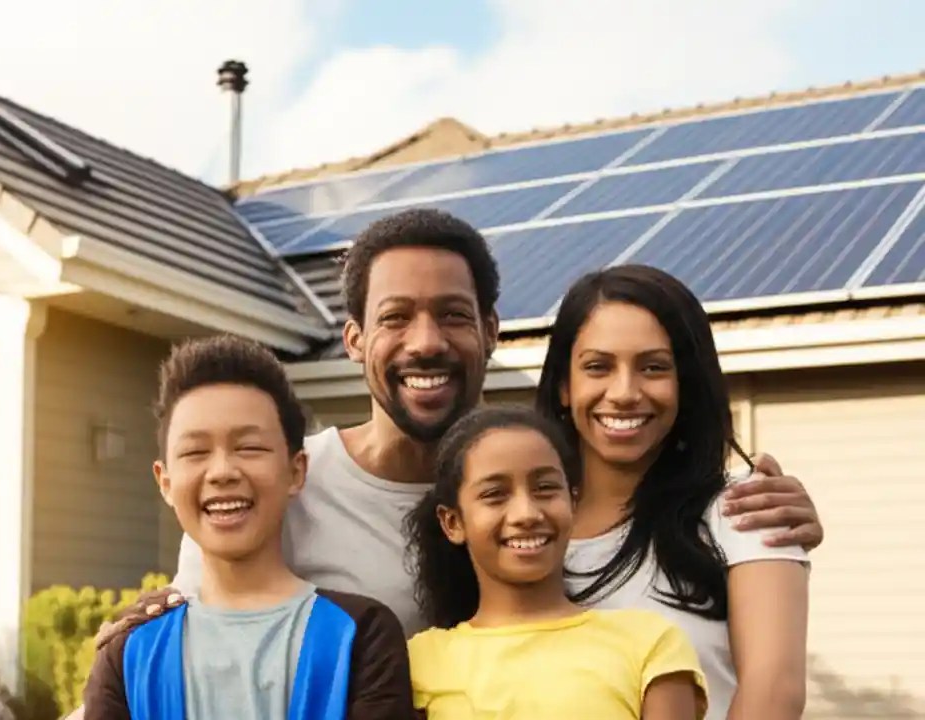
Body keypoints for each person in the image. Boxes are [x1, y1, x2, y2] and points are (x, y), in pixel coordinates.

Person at [64, 209, 823, 718]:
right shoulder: (281, 485)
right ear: (354, 340)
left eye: (453, 316)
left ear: (491, 330)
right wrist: (128, 645)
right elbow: (196, 645)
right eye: (395, 317)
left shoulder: (548, 497)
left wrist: (764, 516)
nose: (426, 342)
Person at [81, 335, 416, 720]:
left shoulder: (360, 636)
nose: (222, 471)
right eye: (195, 452)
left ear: (296, 470)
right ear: (165, 482)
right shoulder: (129, 652)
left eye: (249, 447)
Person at [535, 265, 810, 720]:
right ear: (565, 385)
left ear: (686, 383)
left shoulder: (743, 510)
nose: (624, 392)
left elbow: (774, 691)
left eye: (654, 367)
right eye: (598, 367)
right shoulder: (524, 527)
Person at [406, 405, 708, 719]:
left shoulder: (650, 642)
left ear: (573, 502)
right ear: (453, 522)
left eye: (545, 488)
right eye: (495, 494)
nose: (526, 514)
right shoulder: (421, 661)